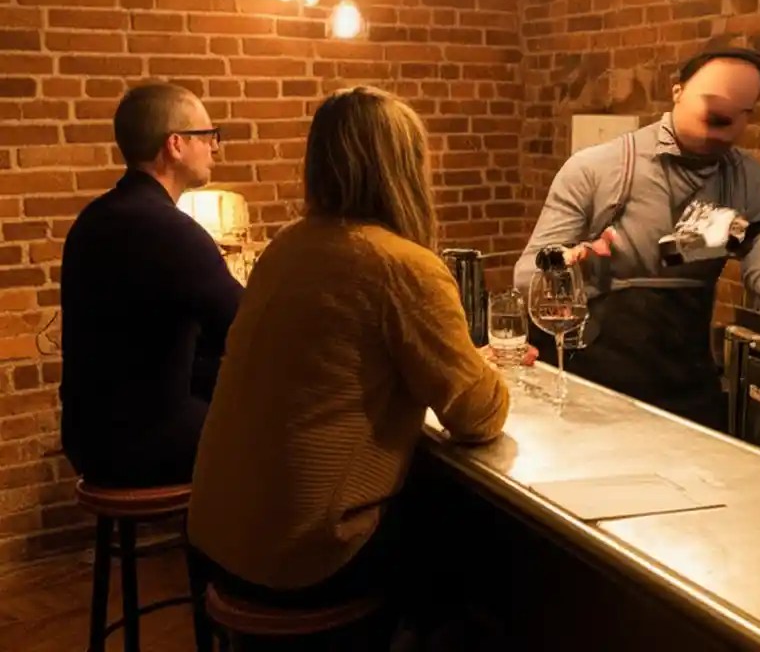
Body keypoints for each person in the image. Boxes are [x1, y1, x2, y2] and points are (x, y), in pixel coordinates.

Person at [188, 87, 523, 637]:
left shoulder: (286, 246)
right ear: (405, 168)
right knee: (485, 547)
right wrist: (481, 366)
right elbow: (477, 414)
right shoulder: (402, 266)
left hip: (219, 535)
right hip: (304, 555)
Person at [514, 47, 760, 431]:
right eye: (712, 103)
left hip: (687, 388)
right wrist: (570, 268)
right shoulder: (598, 168)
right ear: (677, 91)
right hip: (588, 385)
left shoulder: (748, 182)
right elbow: (526, 277)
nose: (721, 119)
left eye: (738, 112)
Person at [59, 82, 242, 488]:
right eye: (207, 135)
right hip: (146, 443)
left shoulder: (94, 218)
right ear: (175, 144)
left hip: (88, 437)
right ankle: (236, 531)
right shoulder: (171, 231)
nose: (215, 146)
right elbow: (246, 327)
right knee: (278, 421)